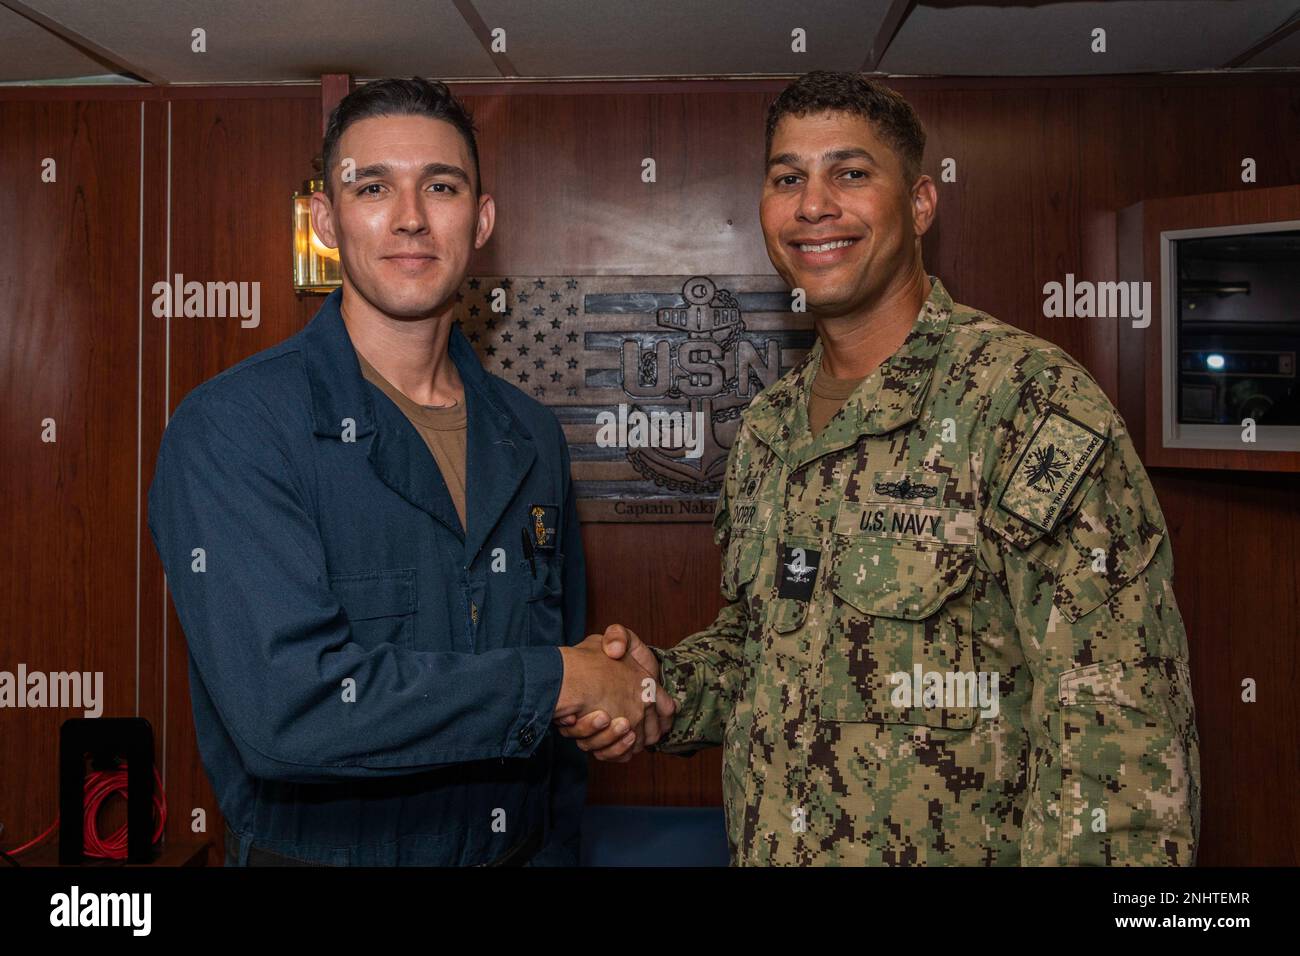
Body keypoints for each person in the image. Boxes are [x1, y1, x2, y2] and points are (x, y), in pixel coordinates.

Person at [561, 70, 1201, 866]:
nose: (813, 204)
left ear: (921, 203)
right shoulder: (768, 429)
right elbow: (766, 654)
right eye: (788, 177)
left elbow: (1120, 731)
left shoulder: (1024, 402)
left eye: (851, 173)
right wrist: (655, 688)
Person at [148, 77, 657, 867]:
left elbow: (558, 743)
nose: (411, 217)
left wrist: (603, 689)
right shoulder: (234, 429)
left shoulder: (529, 436)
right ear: (325, 219)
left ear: (480, 221)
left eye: (442, 187)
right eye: (374, 186)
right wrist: (558, 680)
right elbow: (291, 711)